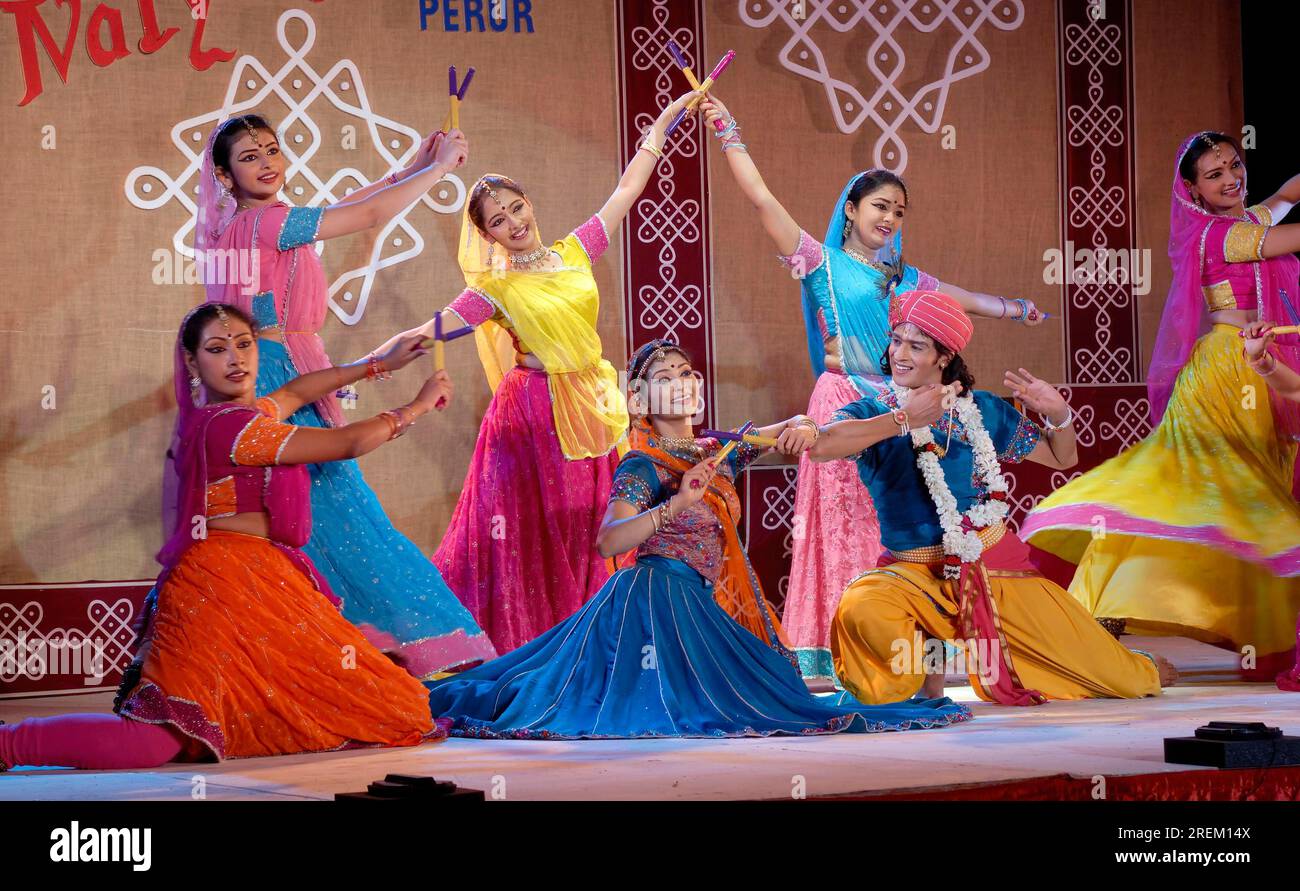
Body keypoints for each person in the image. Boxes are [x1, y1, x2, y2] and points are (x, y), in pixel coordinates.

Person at [422, 340, 973, 738]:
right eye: (665, 376)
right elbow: (610, 542)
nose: (681, 382)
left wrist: (804, 424)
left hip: (694, 603)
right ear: (639, 400)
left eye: (686, 372)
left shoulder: (719, 450)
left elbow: (784, 436)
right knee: (668, 705)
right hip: (651, 598)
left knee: (760, 696)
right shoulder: (643, 463)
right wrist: (678, 503)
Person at [0, 304, 448, 770]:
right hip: (218, 587)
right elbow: (347, 444)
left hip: (256, 580)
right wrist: (415, 406)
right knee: (154, 743)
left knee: (393, 703)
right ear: (193, 363)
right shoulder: (232, 427)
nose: (236, 358)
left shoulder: (244, 415)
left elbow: (295, 390)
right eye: (217, 349)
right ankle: (8, 745)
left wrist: (380, 362)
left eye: (244, 344)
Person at [699, 94, 1046, 684]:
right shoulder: (820, 262)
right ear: (852, 209)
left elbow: (962, 299)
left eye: (900, 211)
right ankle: (843, 646)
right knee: (841, 527)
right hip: (843, 404)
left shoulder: (906, 277)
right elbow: (762, 200)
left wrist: (1014, 308)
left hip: (899, 405)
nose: (889, 218)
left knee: (895, 521)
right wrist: (730, 133)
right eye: (880, 206)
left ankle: (908, 642)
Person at [372, 91, 704, 652]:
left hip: (593, 404)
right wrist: (373, 360)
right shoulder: (495, 288)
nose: (512, 222)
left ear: (529, 203)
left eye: (515, 208)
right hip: (532, 411)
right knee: (532, 529)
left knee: (588, 526)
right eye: (498, 221)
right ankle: (527, 648)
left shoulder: (576, 251)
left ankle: (596, 644)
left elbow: (627, 189)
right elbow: (438, 326)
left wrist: (668, 117)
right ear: (489, 235)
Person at [188, 114, 495, 677]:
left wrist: (418, 167)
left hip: (274, 371)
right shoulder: (269, 223)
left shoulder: (242, 226)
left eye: (272, 150)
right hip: (280, 372)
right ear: (226, 177)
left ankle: (338, 657)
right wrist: (442, 171)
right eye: (250, 156)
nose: (267, 162)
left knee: (313, 514)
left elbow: (359, 200)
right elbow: (371, 215)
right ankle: (409, 656)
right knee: (339, 511)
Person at [1021, 132, 1300, 679]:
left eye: (1234, 166)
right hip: (1225, 376)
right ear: (1194, 190)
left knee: (1246, 498)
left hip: (1263, 371)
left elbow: (1281, 200)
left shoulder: (1247, 222)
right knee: (1197, 493)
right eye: (1214, 174)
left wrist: (1288, 190)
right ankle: (1093, 611)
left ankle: (1264, 633)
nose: (1230, 178)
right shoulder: (1220, 236)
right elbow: (1282, 236)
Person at [814, 291, 1171, 706]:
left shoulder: (979, 410)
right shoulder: (872, 413)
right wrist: (903, 421)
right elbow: (822, 445)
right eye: (896, 340)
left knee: (1125, 680)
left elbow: (1062, 457)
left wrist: (1059, 415)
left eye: (916, 345)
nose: (900, 354)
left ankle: (1135, 663)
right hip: (913, 572)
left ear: (943, 358)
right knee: (862, 605)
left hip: (995, 567)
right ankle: (916, 685)